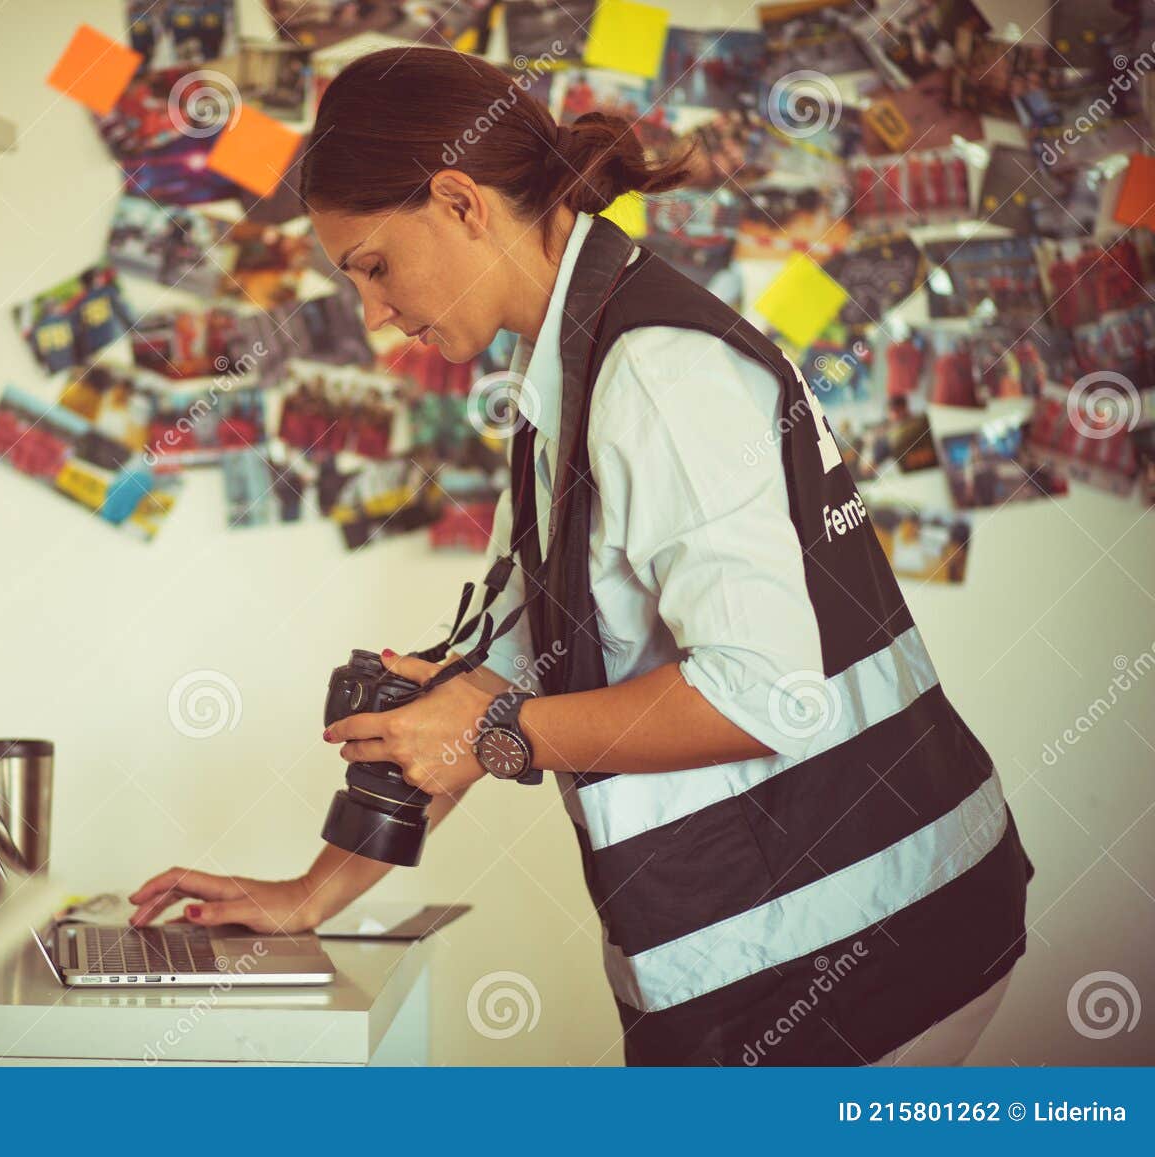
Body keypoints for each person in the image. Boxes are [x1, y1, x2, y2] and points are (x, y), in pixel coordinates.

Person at [129, 46, 1033, 1067]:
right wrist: (314, 892)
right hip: (803, 924)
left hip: (867, 932)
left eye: (373, 265)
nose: (375, 312)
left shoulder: (650, 371)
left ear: (461, 201)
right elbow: (512, 675)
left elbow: (763, 695)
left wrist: (493, 734)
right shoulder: (575, 362)